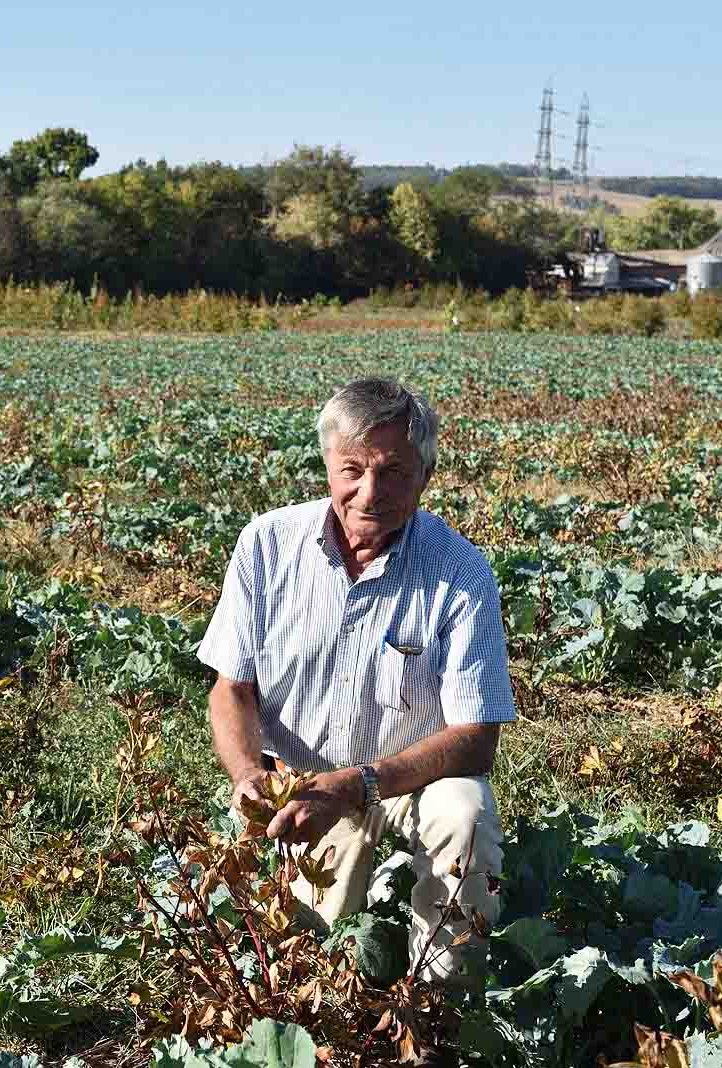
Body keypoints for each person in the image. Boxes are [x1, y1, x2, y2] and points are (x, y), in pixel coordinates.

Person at [196, 377, 514, 986]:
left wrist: (359, 784)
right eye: (352, 470)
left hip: (411, 779)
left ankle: (442, 1003)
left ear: (426, 474)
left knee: (464, 813)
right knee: (300, 967)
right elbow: (231, 687)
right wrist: (248, 779)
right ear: (327, 467)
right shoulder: (267, 543)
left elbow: (476, 736)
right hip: (301, 783)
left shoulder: (461, 571)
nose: (369, 493)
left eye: (394, 472)